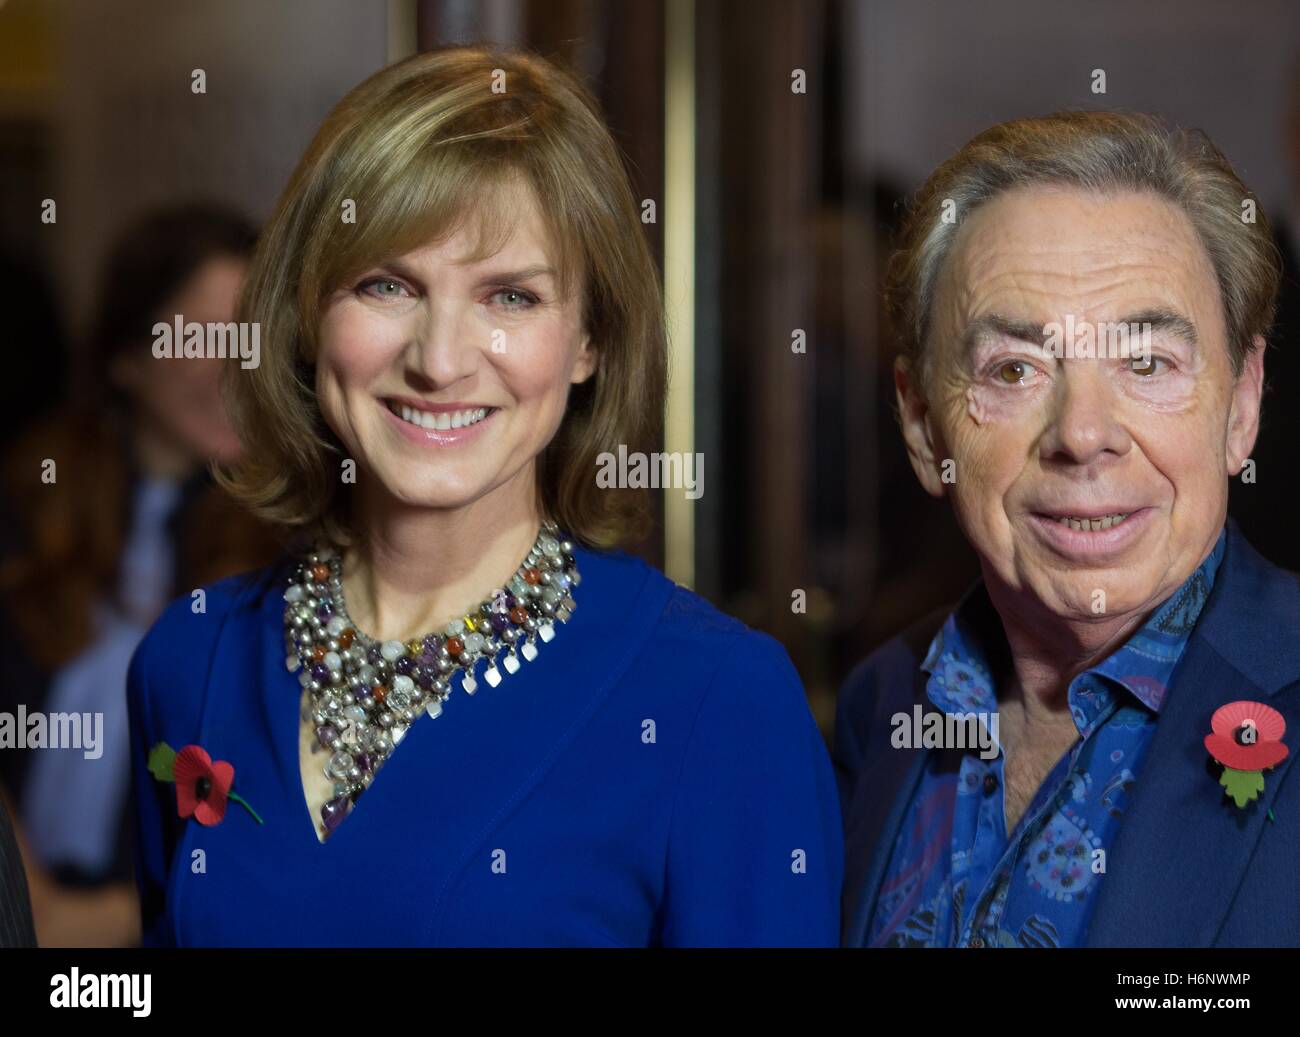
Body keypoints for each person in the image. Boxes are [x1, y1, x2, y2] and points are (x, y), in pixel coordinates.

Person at [126, 45, 842, 947]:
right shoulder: (189, 659)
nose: (439, 358)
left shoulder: (718, 702)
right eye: (387, 284)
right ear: (307, 313)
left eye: (510, 296)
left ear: (590, 341)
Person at [836, 111, 1300, 947]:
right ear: (921, 425)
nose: (1083, 432)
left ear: (1242, 405)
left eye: (1147, 363)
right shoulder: (880, 708)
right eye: (1015, 369)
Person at [0, 202, 281, 946]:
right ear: (128, 355)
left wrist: (105, 920)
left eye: (250, 337)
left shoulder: (287, 549)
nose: (237, 367)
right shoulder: (29, 501)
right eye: (202, 335)